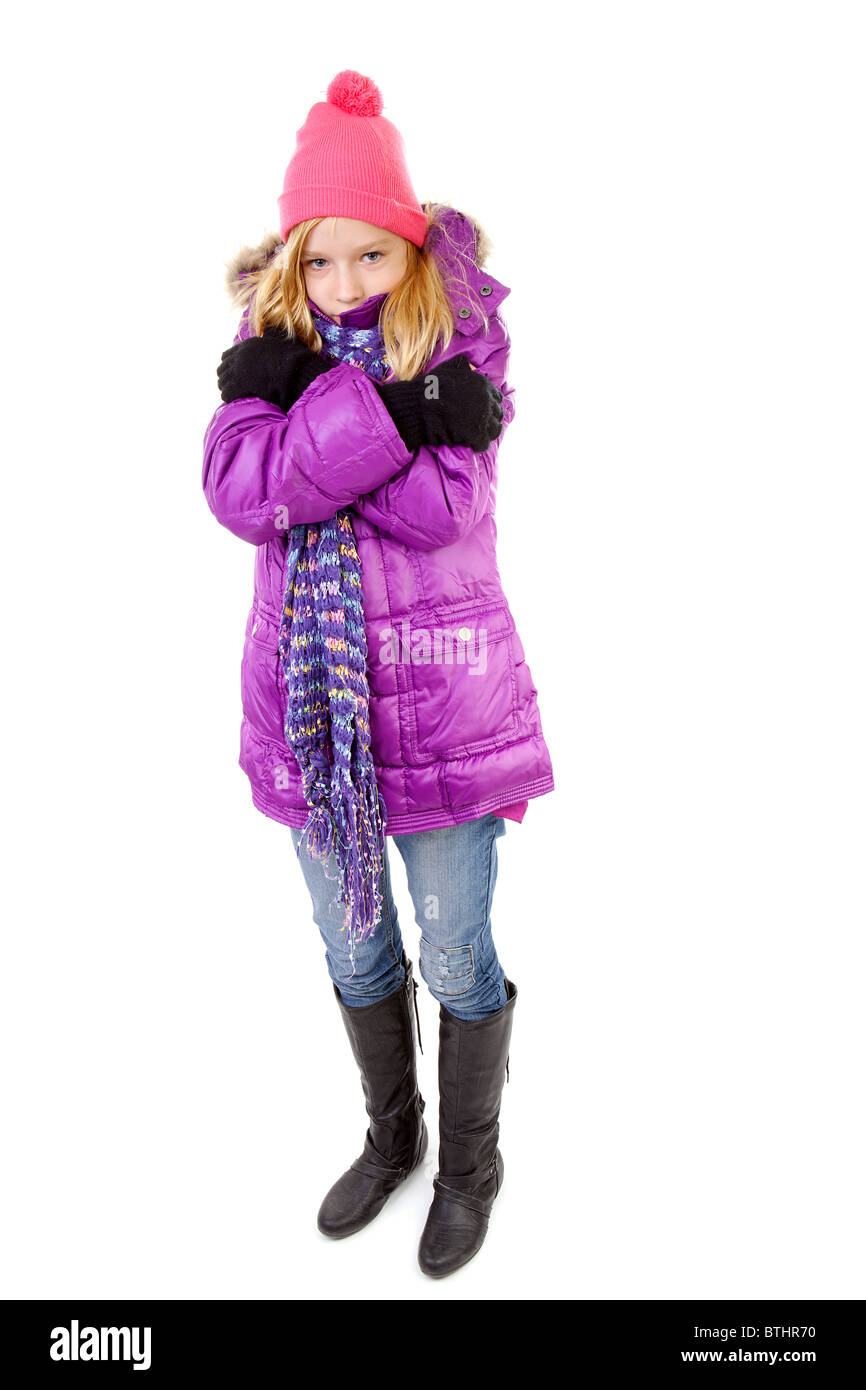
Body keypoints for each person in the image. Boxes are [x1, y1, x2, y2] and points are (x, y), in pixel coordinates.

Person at [202, 69, 555, 1280]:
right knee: (353, 950)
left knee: (454, 949)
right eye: (319, 262)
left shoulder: (466, 355)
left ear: (408, 254)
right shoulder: (267, 357)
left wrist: (327, 420)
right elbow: (242, 496)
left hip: (447, 709)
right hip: (315, 728)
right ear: (289, 267)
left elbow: (446, 510)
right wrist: (392, 416)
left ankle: (470, 1168)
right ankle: (391, 1137)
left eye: (369, 257)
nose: (344, 286)